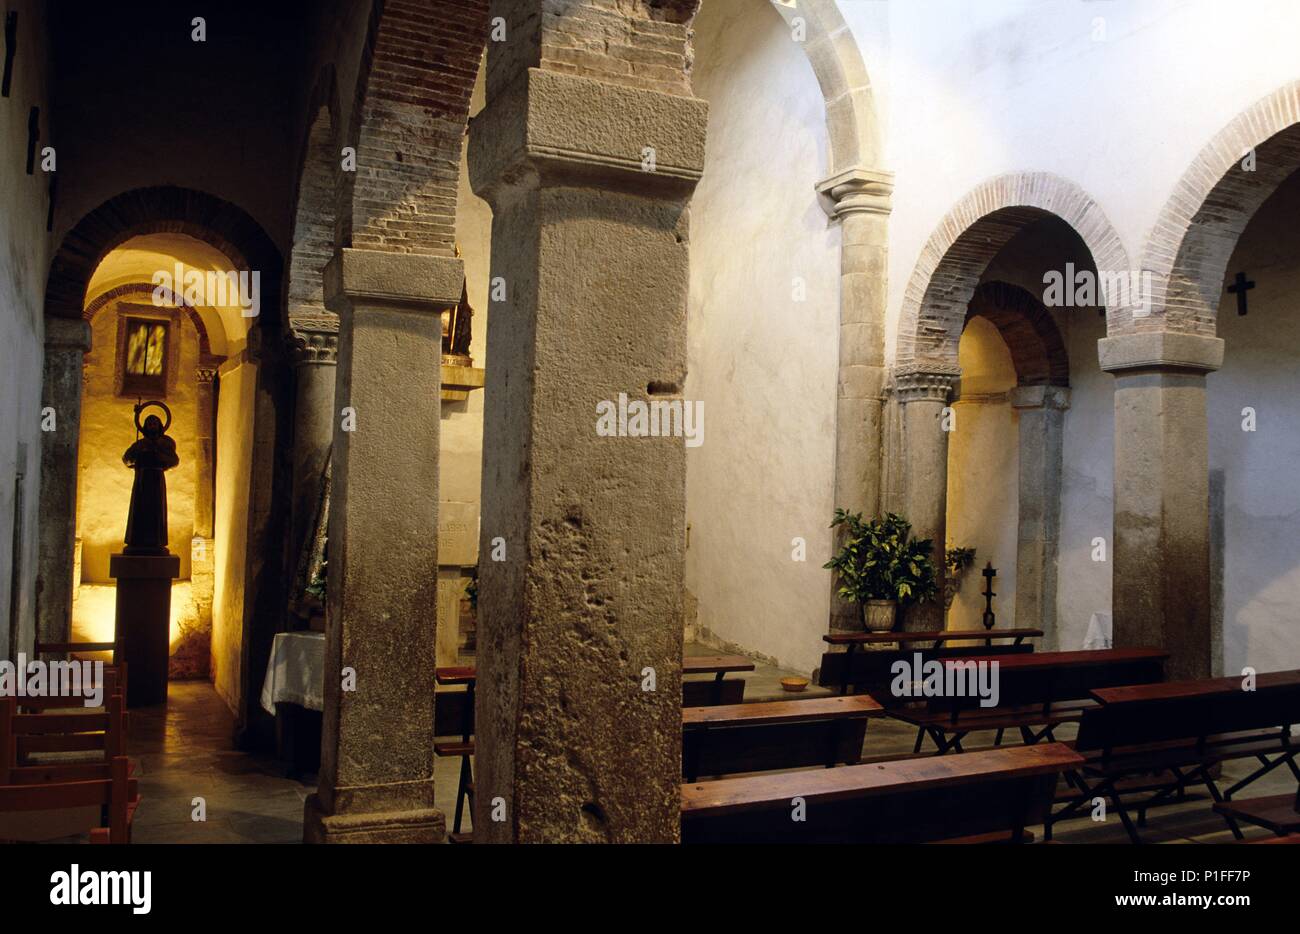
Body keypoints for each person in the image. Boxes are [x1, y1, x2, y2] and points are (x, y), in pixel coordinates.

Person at [122, 412, 180, 555]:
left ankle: (156, 541)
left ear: (160, 426)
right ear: (145, 427)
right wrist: (137, 455)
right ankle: (137, 541)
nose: (152, 426)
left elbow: (174, 461)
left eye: (154, 423)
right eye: (149, 423)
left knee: (156, 510)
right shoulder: (140, 443)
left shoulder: (165, 443)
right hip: (142, 479)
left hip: (156, 479)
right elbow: (127, 459)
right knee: (140, 510)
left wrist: (158, 453)